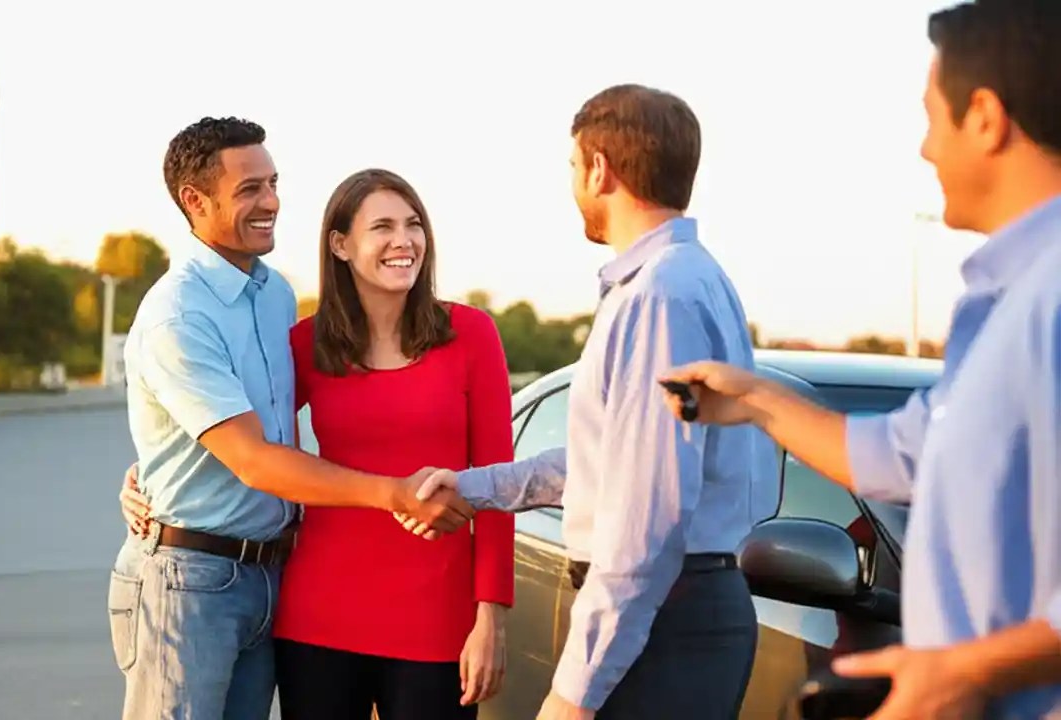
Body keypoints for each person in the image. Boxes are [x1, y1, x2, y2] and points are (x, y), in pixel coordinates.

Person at [657, 1, 1061, 717]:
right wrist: (753, 399)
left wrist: (967, 673)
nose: (925, 149)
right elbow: (903, 456)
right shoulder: (1002, 298)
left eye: (932, 117)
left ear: (987, 118)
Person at [408, 84, 778, 719]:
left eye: (574, 167)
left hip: (663, 625)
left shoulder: (660, 297)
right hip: (670, 616)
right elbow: (606, 469)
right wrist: (472, 488)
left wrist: (575, 692)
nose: (574, 182)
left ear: (600, 169)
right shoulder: (680, 282)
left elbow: (647, 518)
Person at [108, 117, 474, 720]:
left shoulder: (273, 293)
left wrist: (150, 468)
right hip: (189, 583)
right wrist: (394, 494)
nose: (272, 202)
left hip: (268, 577)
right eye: (249, 188)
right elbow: (252, 457)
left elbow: (257, 422)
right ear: (194, 201)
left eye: (273, 182)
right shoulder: (178, 315)